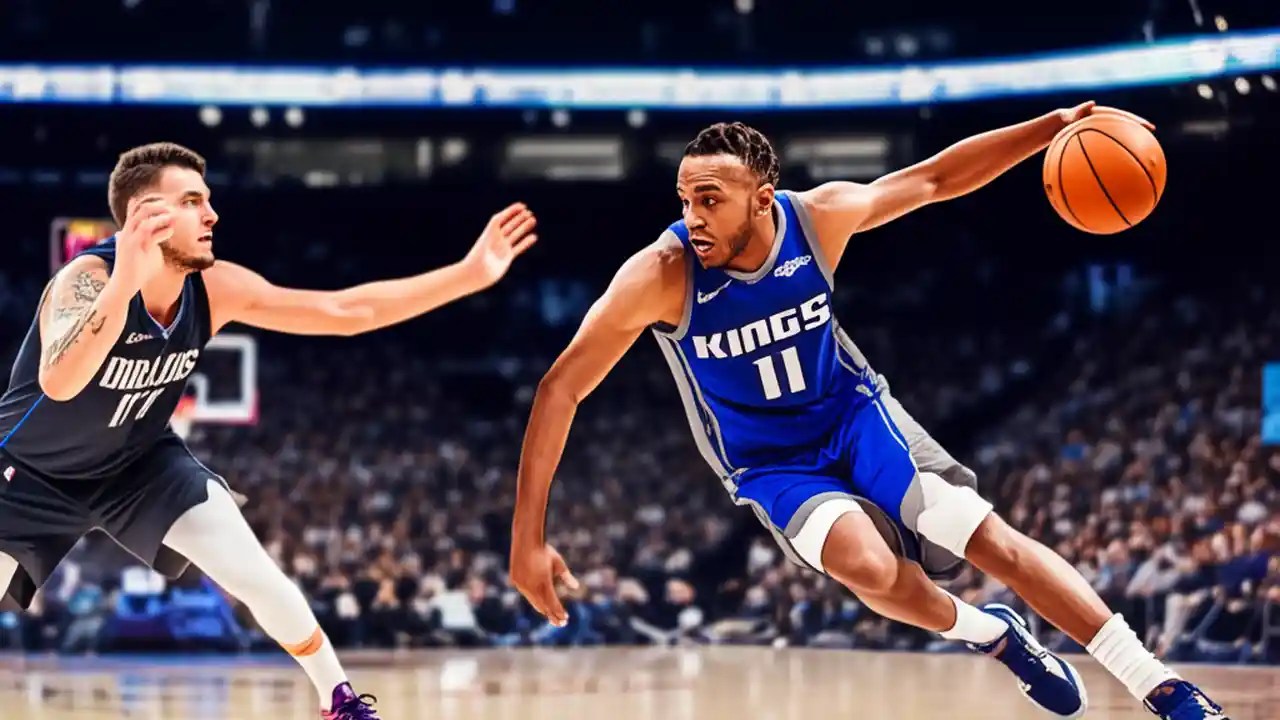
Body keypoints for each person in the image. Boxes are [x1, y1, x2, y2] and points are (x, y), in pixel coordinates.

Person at [508, 104, 1229, 720]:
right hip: (768, 462)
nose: (692, 216)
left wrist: (1050, 128)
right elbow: (560, 388)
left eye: (710, 199)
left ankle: (1158, 685)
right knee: (867, 566)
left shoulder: (818, 219)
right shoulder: (658, 276)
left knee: (973, 531)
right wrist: (528, 540)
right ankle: (993, 634)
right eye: (685, 198)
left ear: (763, 199)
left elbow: (936, 179)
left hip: (854, 414)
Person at [0, 142, 538, 720]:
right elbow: (59, 381)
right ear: (145, 215)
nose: (212, 214)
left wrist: (467, 275)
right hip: (30, 474)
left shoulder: (216, 288)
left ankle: (342, 702)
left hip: (138, 464)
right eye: (192, 201)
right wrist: (124, 281)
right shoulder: (84, 279)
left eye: (208, 200)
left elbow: (345, 313)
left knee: (257, 574)